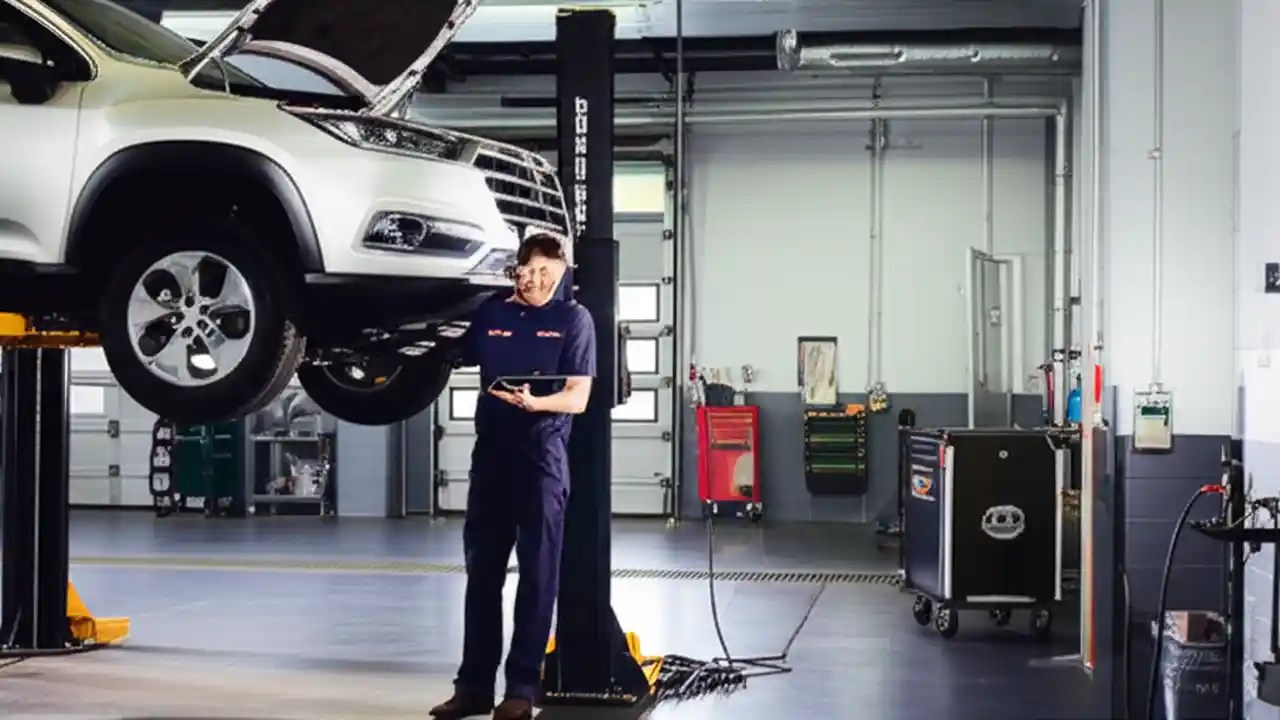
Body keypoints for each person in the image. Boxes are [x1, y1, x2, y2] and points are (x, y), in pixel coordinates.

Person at [431, 232, 596, 720]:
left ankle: (522, 688)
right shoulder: (491, 313)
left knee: (538, 574)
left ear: (562, 272)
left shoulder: (574, 320)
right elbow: (447, 353)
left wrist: (535, 403)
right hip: (492, 456)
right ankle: (473, 688)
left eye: (551, 272)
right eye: (534, 270)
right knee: (482, 574)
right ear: (518, 269)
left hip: (542, 455)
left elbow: (578, 396)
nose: (541, 280)